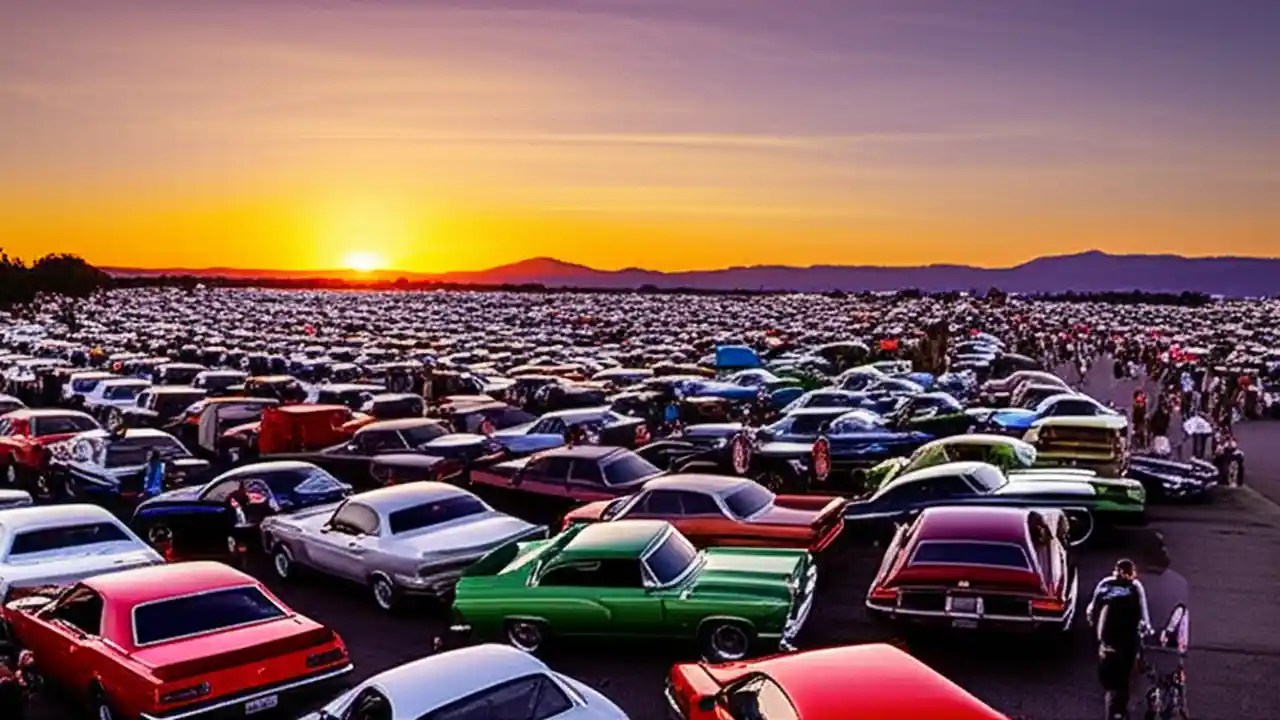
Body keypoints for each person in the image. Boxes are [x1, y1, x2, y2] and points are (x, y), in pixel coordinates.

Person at [1087, 559, 1152, 720]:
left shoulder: (1104, 584)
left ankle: (1111, 705)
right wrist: (1148, 631)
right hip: (1127, 645)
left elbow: (1090, 611)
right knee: (1124, 680)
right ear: (1130, 573)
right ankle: (1121, 712)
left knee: (1109, 681)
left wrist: (1095, 629)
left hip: (1106, 643)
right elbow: (1144, 618)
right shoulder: (1135, 587)